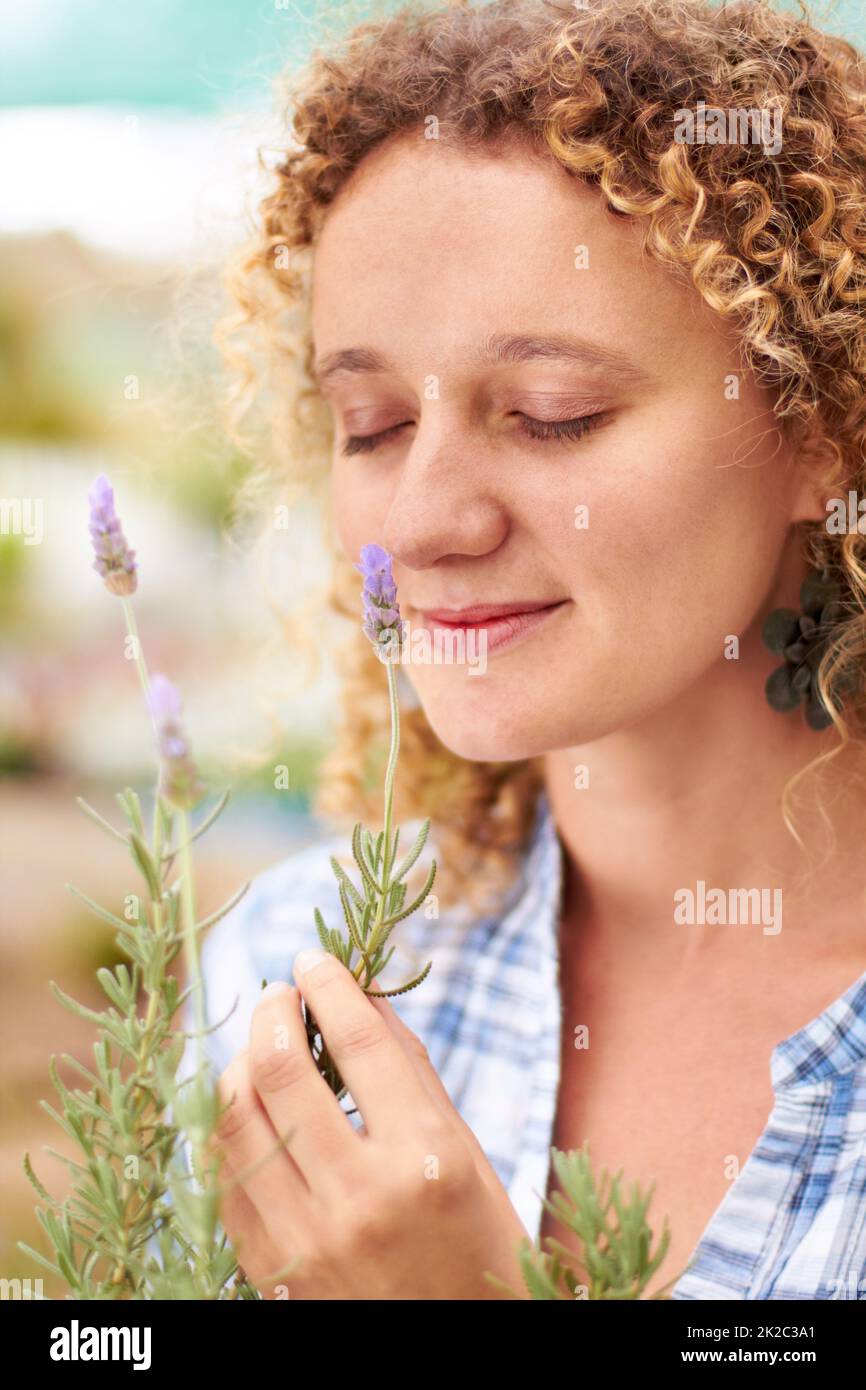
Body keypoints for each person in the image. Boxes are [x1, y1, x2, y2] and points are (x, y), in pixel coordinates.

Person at [187, 0, 866, 1299]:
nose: (425, 523)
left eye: (553, 415)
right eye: (372, 423)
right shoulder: (285, 965)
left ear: (817, 418)